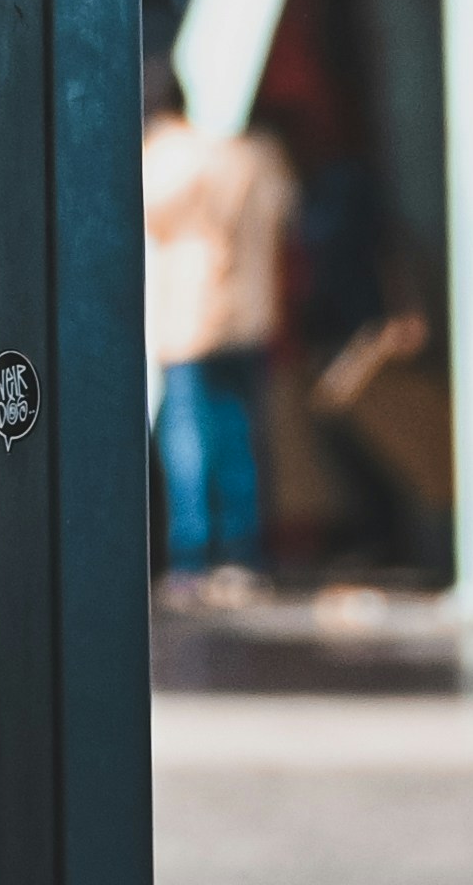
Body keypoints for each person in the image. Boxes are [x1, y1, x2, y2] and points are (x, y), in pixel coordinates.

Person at [143, 83, 297, 603]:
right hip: (250, 316)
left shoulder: (167, 156)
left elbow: (138, 213)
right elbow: (285, 213)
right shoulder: (258, 157)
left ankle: (191, 559)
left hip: (188, 321)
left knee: (186, 441)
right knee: (242, 441)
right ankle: (242, 558)